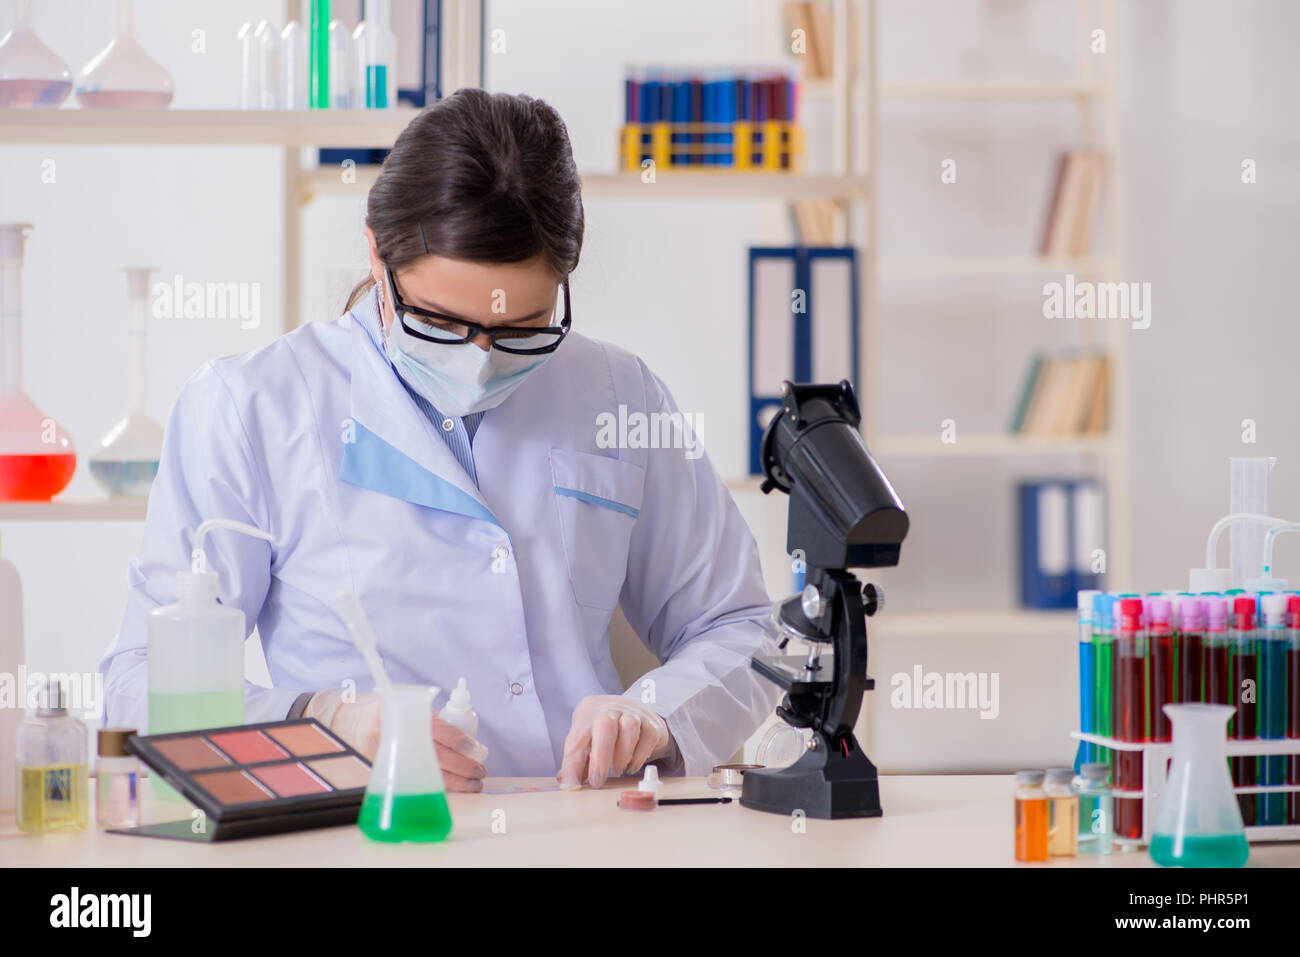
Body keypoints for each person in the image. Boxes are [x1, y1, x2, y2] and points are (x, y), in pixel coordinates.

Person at [100, 88, 780, 791]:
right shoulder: (252, 407)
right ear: (376, 258)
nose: (480, 358)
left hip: (582, 829)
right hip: (366, 830)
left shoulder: (618, 394)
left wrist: (656, 713)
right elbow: (136, 686)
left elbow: (746, 624)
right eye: (440, 323)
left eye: (522, 329)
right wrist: (317, 722)